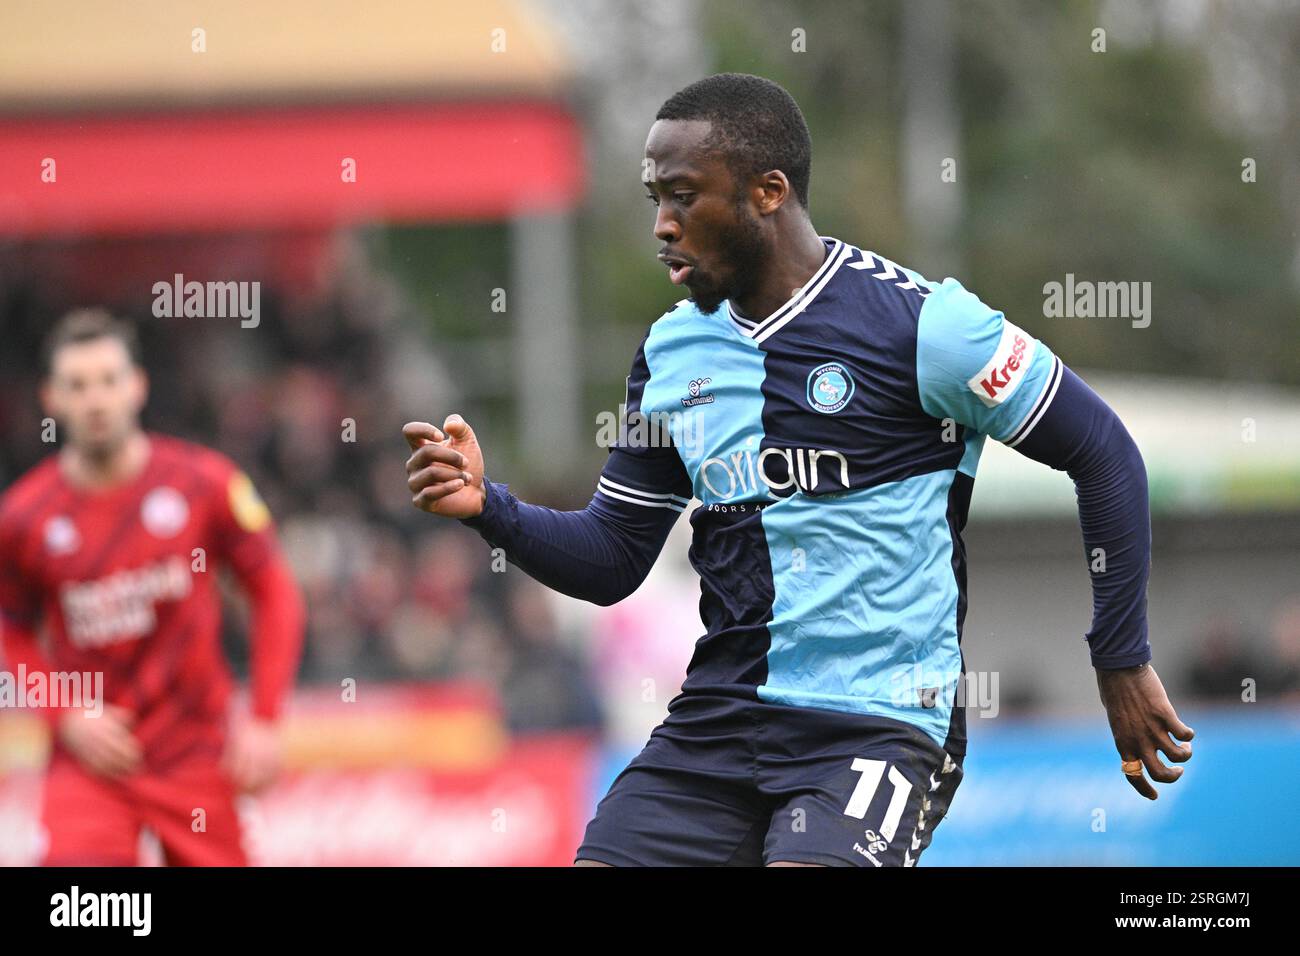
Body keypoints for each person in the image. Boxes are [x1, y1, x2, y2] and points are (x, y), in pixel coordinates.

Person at [403, 73, 1194, 867]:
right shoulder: (671, 355)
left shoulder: (926, 328)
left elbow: (1104, 453)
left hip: (876, 723)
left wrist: (1119, 655)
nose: (662, 227)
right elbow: (614, 557)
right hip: (717, 728)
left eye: (682, 196)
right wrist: (487, 508)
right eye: (654, 199)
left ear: (768, 192)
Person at [0, 309, 305, 865]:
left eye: (109, 381)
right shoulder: (24, 517)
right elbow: (11, 631)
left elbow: (275, 590)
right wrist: (65, 715)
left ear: (137, 386)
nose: (95, 400)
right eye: (77, 385)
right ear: (51, 399)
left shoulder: (204, 483)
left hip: (195, 752)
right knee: (82, 914)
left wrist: (264, 717)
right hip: (91, 762)